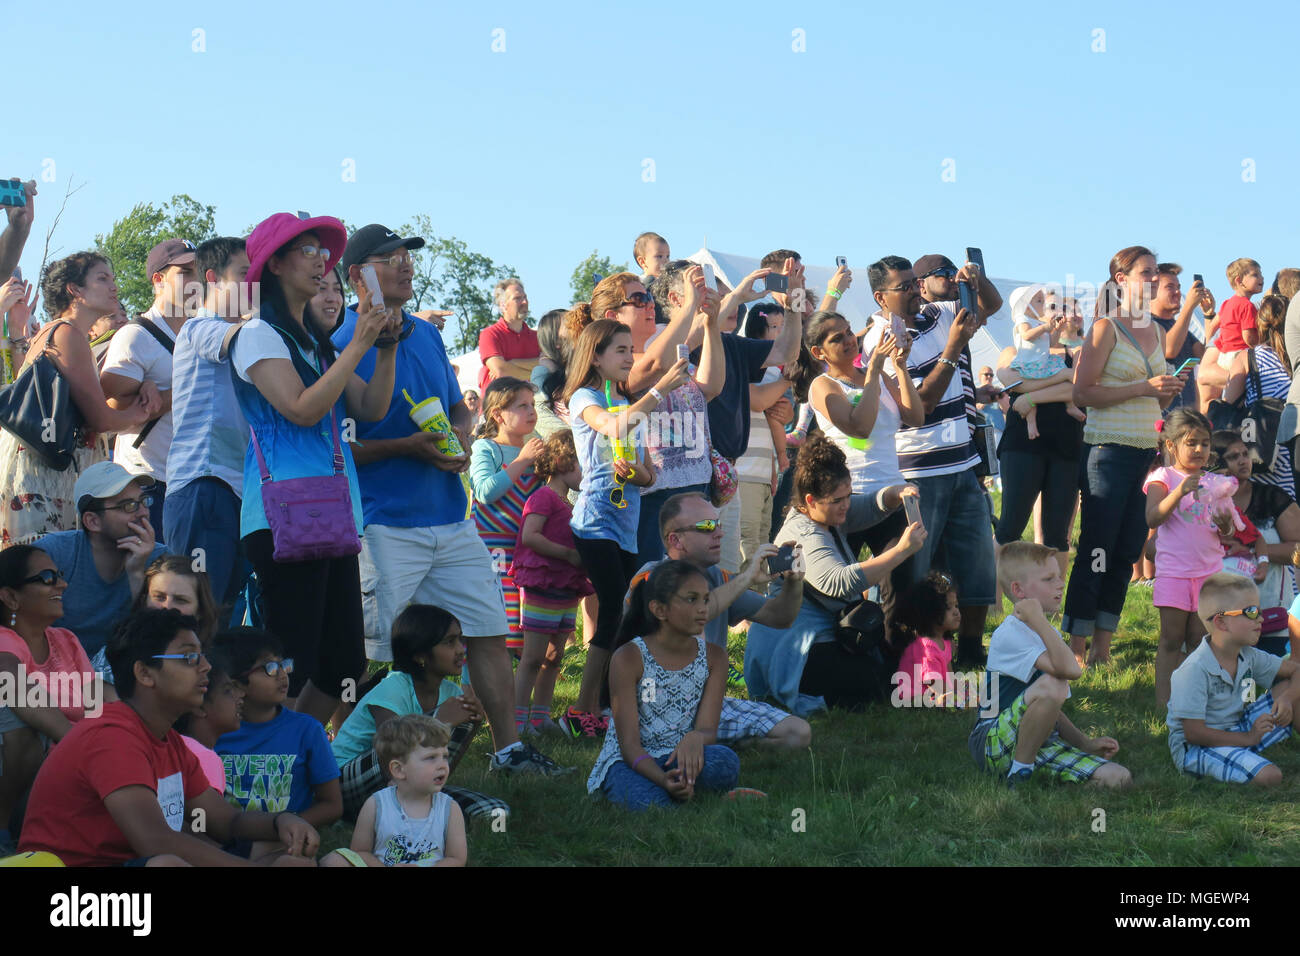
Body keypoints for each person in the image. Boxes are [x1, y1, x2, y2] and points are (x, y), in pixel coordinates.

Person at [333, 225, 560, 774]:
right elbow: (339, 449)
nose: (405, 266)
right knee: (367, 650)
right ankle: (342, 763)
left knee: (487, 629)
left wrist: (462, 431)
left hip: (450, 518)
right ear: (356, 274)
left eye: (407, 257)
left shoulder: (426, 335)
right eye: (389, 259)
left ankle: (509, 752)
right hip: (382, 522)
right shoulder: (340, 338)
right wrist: (409, 448)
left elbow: (457, 406)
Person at [230, 213, 398, 727]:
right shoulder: (257, 334)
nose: (322, 259)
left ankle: (298, 753)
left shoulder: (316, 343)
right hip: (281, 515)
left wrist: (385, 347)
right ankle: (266, 759)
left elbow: (370, 408)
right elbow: (301, 408)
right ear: (275, 265)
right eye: (307, 250)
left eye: (324, 252)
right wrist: (360, 343)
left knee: (343, 660)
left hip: (329, 511)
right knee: (292, 662)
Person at [19, 608, 320, 866]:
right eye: (189, 657)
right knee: (168, 864)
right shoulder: (112, 737)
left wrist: (282, 821)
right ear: (145, 674)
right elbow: (155, 840)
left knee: (276, 847)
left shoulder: (167, 740)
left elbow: (226, 821)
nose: (206, 666)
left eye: (202, 656)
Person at [861, 255, 1000, 664]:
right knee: (916, 575)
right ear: (879, 297)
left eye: (912, 283)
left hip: (961, 465)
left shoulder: (937, 313)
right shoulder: (880, 340)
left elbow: (989, 307)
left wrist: (979, 279)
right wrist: (954, 348)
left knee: (977, 569)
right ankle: (909, 659)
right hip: (917, 471)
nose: (914, 290)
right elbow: (919, 404)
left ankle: (971, 652)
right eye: (902, 286)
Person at [561, 319, 688, 734]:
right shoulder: (585, 397)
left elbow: (651, 475)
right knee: (614, 608)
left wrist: (638, 475)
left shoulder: (630, 402)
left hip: (626, 526)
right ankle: (583, 710)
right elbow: (613, 427)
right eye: (619, 350)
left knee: (628, 612)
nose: (629, 357)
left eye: (629, 350)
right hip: (595, 523)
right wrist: (660, 389)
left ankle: (607, 703)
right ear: (594, 356)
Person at [1065, 246, 1187, 666]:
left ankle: (1103, 647)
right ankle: (1077, 649)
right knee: (1097, 549)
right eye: (1146, 272)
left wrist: (1165, 390)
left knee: (1125, 549)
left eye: (1156, 272)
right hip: (1107, 451)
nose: (1153, 279)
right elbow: (1082, 394)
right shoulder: (1105, 328)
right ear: (1121, 280)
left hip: (1145, 454)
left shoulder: (1155, 327)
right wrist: (1143, 388)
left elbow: (1151, 389)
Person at [746, 436, 924, 714]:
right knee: (871, 686)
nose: (846, 505)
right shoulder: (803, 534)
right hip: (794, 651)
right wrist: (901, 550)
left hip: (822, 638)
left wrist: (894, 494)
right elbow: (839, 582)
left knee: (886, 676)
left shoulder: (825, 514)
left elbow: (868, 506)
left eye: (847, 496)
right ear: (810, 500)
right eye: (837, 500)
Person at [651, 258, 803, 573]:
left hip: (724, 479)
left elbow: (786, 352)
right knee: (690, 577)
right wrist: (735, 298)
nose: (719, 296)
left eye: (720, 290)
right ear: (676, 299)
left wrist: (795, 303)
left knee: (724, 575)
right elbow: (687, 339)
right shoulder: (663, 340)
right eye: (706, 289)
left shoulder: (727, 342)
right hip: (685, 480)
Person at [0, 252, 159, 546]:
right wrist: (144, 410)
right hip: (46, 480)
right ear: (74, 290)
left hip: (38, 473)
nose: (114, 286)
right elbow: (100, 418)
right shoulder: (68, 334)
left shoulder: (57, 334)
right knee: (47, 568)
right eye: (102, 278)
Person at [633, 491, 812, 749]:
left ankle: (718, 743)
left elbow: (779, 617)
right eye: (707, 527)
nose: (719, 533)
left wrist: (794, 584)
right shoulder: (650, 578)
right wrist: (746, 577)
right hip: (655, 704)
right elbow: (692, 613)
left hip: (707, 703)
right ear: (675, 539)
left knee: (798, 733)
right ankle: (708, 743)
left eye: (718, 524)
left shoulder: (719, 578)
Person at [790, 309, 923, 618]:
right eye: (838, 338)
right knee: (841, 593)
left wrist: (899, 367)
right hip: (845, 501)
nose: (849, 340)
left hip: (891, 494)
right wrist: (874, 371)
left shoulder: (879, 376)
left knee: (900, 592)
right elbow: (859, 427)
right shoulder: (823, 386)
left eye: (850, 332)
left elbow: (915, 417)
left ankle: (893, 658)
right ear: (818, 352)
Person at [970, 543, 1132, 789]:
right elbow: (1071, 672)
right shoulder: (1009, 634)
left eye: (1059, 576)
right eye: (1048, 579)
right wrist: (1037, 619)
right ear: (1018, 590)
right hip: (991, 740)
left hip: (1036, 741)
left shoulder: (1047, 632)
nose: (1060, 584)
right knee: (1054, 681)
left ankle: (1038, 774)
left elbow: (1051, 706)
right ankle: (1021, 773)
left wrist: (1084, 744)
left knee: (1118, 778)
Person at [331, 604, 515, 816]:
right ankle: (395, 811)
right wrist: (439, 721)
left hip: (403, 784)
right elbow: (389, 752)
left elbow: (443, 760)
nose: (460, 649)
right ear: (420, 655)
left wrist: (474, 721)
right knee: (400, 737)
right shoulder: (393, 688)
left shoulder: (450, 692)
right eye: (449, 642)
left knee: (496, 811)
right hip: (341, 784)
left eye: (460, 639)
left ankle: (417, 803)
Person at [586, 561, 740, 810]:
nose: (703, 609)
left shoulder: (715, 657)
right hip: (631, 760)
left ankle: (680, 786)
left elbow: (707, 730)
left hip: (680, 757)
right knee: (651, 803)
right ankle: (677, 790)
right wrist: (662, 779)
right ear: (659, 610)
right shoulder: (629, 658)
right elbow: (629, 746)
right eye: (691, 600)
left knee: (726, 761)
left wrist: (695, 738)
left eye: (705, 599)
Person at [164, 236, 251, 605]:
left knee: (222, 613)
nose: (254, 283)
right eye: (245, 273)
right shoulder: (199, 328)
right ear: (213, 278)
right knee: (196, 611)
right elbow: (245, 338)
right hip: (203, 485)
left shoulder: (249, 329)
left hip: (236, 490)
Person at [0, 546, 101, 855]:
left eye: (59, 575)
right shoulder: (5, 643)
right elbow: (14, 686)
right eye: (46, 578)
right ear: (11, 598)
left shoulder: (66, 640)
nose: (62, 584)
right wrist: (80, 747)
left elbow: (95, 704)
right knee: (20, 724)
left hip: (73, 770)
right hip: (27, 778)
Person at [99, 238, 199, 536]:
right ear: (158, 279)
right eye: (184, 273)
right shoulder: (135, 336)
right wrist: (172, 392)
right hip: (148, 482)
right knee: (151, 577)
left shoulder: (202, 332)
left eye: (198, 271)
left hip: (194, 481)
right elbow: (109, 411)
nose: (195, 281)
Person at [212, 628, 342, 853]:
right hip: (225, 837)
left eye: (284, 665)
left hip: (282, 842)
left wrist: (290, 825)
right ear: (237, 684)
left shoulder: (307, 730)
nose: (283, 674)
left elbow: (332, 804)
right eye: (270, 668)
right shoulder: (217, 731)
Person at [1167, 573, 1300, 786]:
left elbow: (1296, 671)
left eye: (1260, 611)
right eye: (1251, 612)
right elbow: (1193, 733)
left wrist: (1286, 699)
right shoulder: (1193, 669)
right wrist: (1248, 738)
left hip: (1240, 726)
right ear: (1221, 622)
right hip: (1199, 747)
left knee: (1290, 690)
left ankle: (1246, 749)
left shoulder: (1248, 654)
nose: (1261, 619)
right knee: (1270, 776)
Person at [35, 462, 167, 663]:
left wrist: (137, 574)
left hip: (128, 678)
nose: (143, 513)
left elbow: (163, 639)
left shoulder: (161, 559)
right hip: (56, 675)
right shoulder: (54, 553)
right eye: (129, 506)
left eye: (143, 501)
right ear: (92, 521)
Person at [1144, 408, 1228, 705]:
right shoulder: (1162, 477)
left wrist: (1225, 524)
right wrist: (1179, 491)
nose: (1199, 450)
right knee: (1170, 640)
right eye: (1191, 442)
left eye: (1205, 443)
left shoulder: (1215, 482)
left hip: (1209, 574)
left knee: (1199, 641)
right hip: (1175, 573)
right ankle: (1162, 704)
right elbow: (1153, 518)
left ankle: (1194, 702)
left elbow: (1226, 532)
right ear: (1171, 445)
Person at [511, 429, 592, 735]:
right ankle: (517, 721)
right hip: (543, 584)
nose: (585, 473)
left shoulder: (569, 502)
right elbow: (530, 536)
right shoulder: (544, 497)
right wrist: (567, 554)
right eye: (580, 465)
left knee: (554, 656)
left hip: (566, 587)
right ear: (561, 462)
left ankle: (539, 717)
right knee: (532, 656)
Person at [322, 715, 466, 867]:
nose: (442, 765)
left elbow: (456, 859)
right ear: (398, 769)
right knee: (334, 860)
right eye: (431, 758)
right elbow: (359, 853)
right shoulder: (376, 805)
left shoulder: (449, 809)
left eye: (445, 756)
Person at [469, 377, 544, 656]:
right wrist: (522, 461)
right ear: (498, 414)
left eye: (533, 405)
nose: (531, 411)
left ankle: (517, 695)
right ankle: (471, 692)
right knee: (489, 628)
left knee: (524, 628)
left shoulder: (536, 448)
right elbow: (485, 491)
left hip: (527, 551)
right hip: (492, 551)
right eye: (522, 406)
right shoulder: (486, 448)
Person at [1213, 430, 1300, 656]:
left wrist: (1251, 549)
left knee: (1279, 685)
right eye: (1233, 457)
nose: (1243, 460)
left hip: (1270, 615)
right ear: (1216, 464)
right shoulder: (1201, 502)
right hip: (1219, 613)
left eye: (1245, 453)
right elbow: (1154, 550)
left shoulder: (1272, 497)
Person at [1224, 294, 1294, 498]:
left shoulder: (1249, 357)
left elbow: (1229, 405)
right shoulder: (1295, 358)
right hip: (1294, 448)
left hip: (1263, 454)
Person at [173, 644, 243, 796]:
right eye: (227, 691)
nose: (239, 698)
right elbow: (204, 819)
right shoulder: (204, 757)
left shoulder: (176, 746)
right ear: (199, 707)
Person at [890, 571, 961, 705]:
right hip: (916, 695)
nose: (956, 611)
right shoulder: (926, 647)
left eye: (956, 605)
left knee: (965, 688)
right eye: (948, 607)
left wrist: (961, 691)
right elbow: (932, 681)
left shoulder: (944, 642)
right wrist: (958, 699)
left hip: (933, 691)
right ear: (930, 611)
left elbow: (949, 676)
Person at [1151, 263, 1213, 411]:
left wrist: (1208, 314)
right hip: (1162, 416)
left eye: (1178, 287)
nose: (1177, 292)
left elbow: (1206, 356)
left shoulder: (1181, 328)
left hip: (1187, 418)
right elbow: (1169, 349)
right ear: (1153, 291)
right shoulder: (1146, 325)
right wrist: (1189, 307)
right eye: (1170, 287)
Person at [131, 554, 218, 648]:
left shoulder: (217, 660)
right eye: (159, 597)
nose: (167, 607)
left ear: (200, 610)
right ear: (144, 601)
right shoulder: (121, 654)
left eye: (180, 600)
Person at [477, 278, 538, 392]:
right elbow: (501, 371)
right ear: (503, 305)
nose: (524, 302)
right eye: (517, 298)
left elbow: (548, 367)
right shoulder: (490, 334)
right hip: (497, 407)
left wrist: (513, 363)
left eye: (525, 297)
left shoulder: (538, 337)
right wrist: (535, 370)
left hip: (527, 406)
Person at [1210, 257, 1265, 370]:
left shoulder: (1226, 304)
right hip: (1239, 355)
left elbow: (1212, 326)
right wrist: (1260, 346)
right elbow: (1248, 337)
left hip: (1224, 356)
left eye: (1261, 274)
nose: (1262, 278)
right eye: (1255, 275)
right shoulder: (1247, 306)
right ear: (1239, 281)